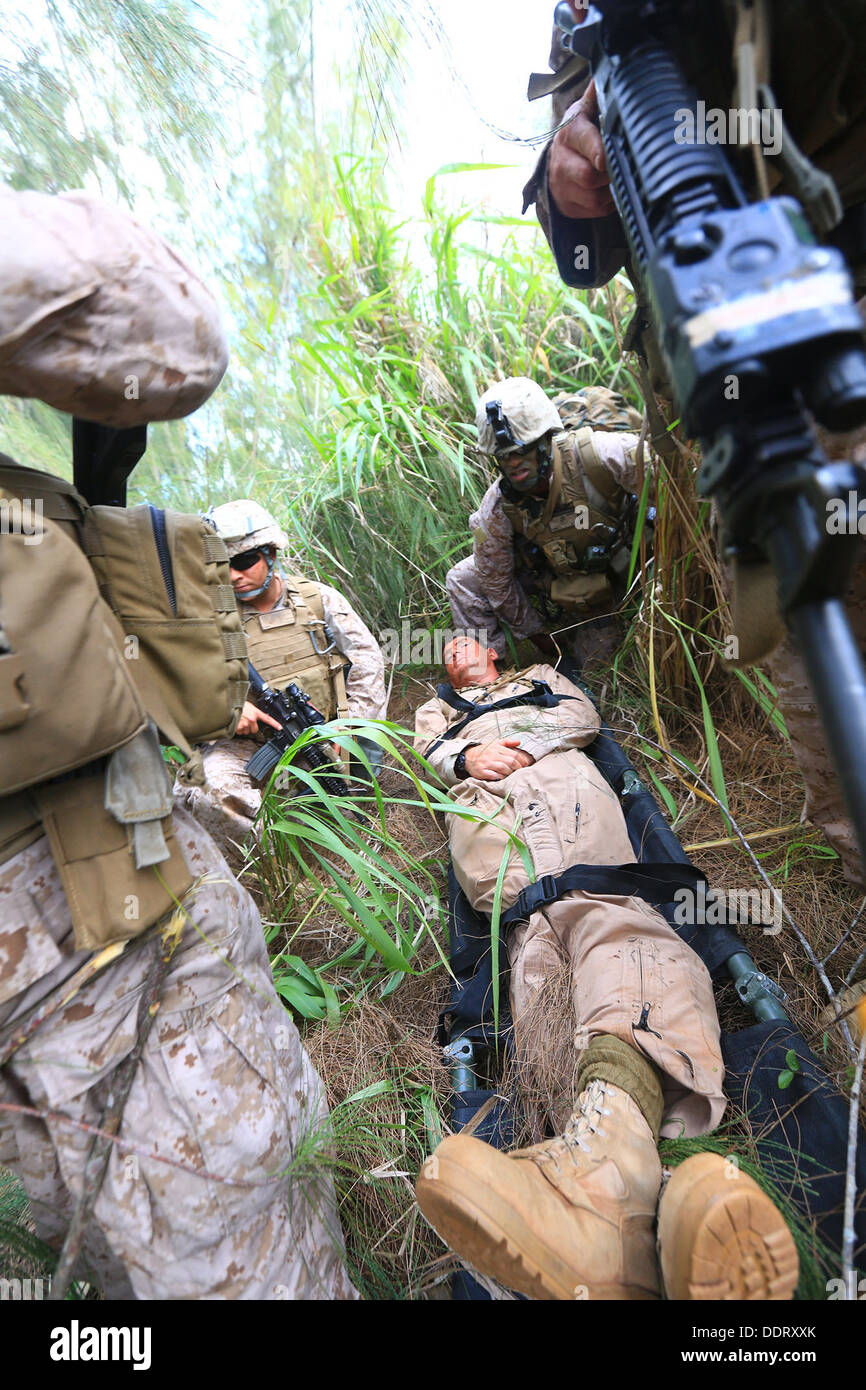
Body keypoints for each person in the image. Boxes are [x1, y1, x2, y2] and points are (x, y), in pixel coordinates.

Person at [0, 186, 356, 1300]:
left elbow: (361, 665)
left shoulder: (313, 602)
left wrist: (357, 736)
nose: (247, 577)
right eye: (235, 565)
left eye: (256, 563)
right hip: (82, 894)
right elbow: (170, 334)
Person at [523, 0, 866, 888]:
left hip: (842, 265)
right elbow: (584, 243)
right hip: (736, 363)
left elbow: (633, 466)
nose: (521, 472)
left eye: (526, 456)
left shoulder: (586, 457)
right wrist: (567, 172)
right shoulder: (583, 26)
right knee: (819, 649)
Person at [413, 636, 798, 1300]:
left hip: (566, 798)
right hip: (495, 829)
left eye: (467, 641)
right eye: (445, 650)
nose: (456, 652)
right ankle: (645, 1204)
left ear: (493, 653)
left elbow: (581, 717)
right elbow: (427, 757)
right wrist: (469, 754)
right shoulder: (436, 708)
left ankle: (605, 1195)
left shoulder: (538, 676)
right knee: (537, 982)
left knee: (619, 929)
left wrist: (525, 745)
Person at [179, 499, 388, 866]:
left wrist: (349, 728)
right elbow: (181, 686)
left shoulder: (317, 601)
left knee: (343, 801)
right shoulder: (210, 620)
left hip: (326, 739)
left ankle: (307, 814)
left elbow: (368, 665)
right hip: (248, 746)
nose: (233, 576)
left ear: (271, 554)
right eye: (222, 566)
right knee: (205, 789)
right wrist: (228, 708)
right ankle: (268, 872)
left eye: (243, 562)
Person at [445, 378, 649, 674]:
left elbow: (676, 486)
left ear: (545, 441)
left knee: (601, 670)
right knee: (463, 577)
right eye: (504, 457)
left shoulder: (600, 455)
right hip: (563, 582)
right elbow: (496, 585)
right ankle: (487, 679)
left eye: (522, 450)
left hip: (626, 572)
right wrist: (550, 648)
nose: (513, 463)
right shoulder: (497, 508)